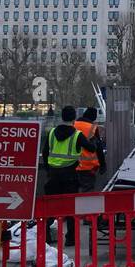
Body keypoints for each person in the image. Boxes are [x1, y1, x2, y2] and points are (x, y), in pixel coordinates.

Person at [43, 106, 88, 248]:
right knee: (71, 209)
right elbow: (91, 148)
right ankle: (70, 239)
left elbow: (45, 153)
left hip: (53, 175)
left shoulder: (51, 133)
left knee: (50, 208)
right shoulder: (77, 135)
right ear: (74, 118)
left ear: (61, 117)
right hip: (70, 175)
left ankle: (46, 236)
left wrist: (49, 169)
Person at [73, 106, 106, 192]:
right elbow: (99, 148)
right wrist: (103, 164)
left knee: (73, 192)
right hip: (88, 166)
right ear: (93, 117)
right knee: (87, 192)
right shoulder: (93, 127)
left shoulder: (73, 125)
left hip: (72, 165)